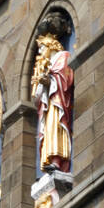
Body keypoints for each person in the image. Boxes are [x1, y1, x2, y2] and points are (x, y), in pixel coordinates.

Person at [31, 33, 74, 172]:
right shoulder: (49, 65)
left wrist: (49, 80)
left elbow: (65, 80)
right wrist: (40, 84)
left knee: (56, 129)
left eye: (42, 48)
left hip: (58, 102)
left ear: (51, 46)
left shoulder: (63, 57)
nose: (40, 52)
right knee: (49, 130)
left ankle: (57, 161)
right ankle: (51, 161)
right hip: (50, 105)